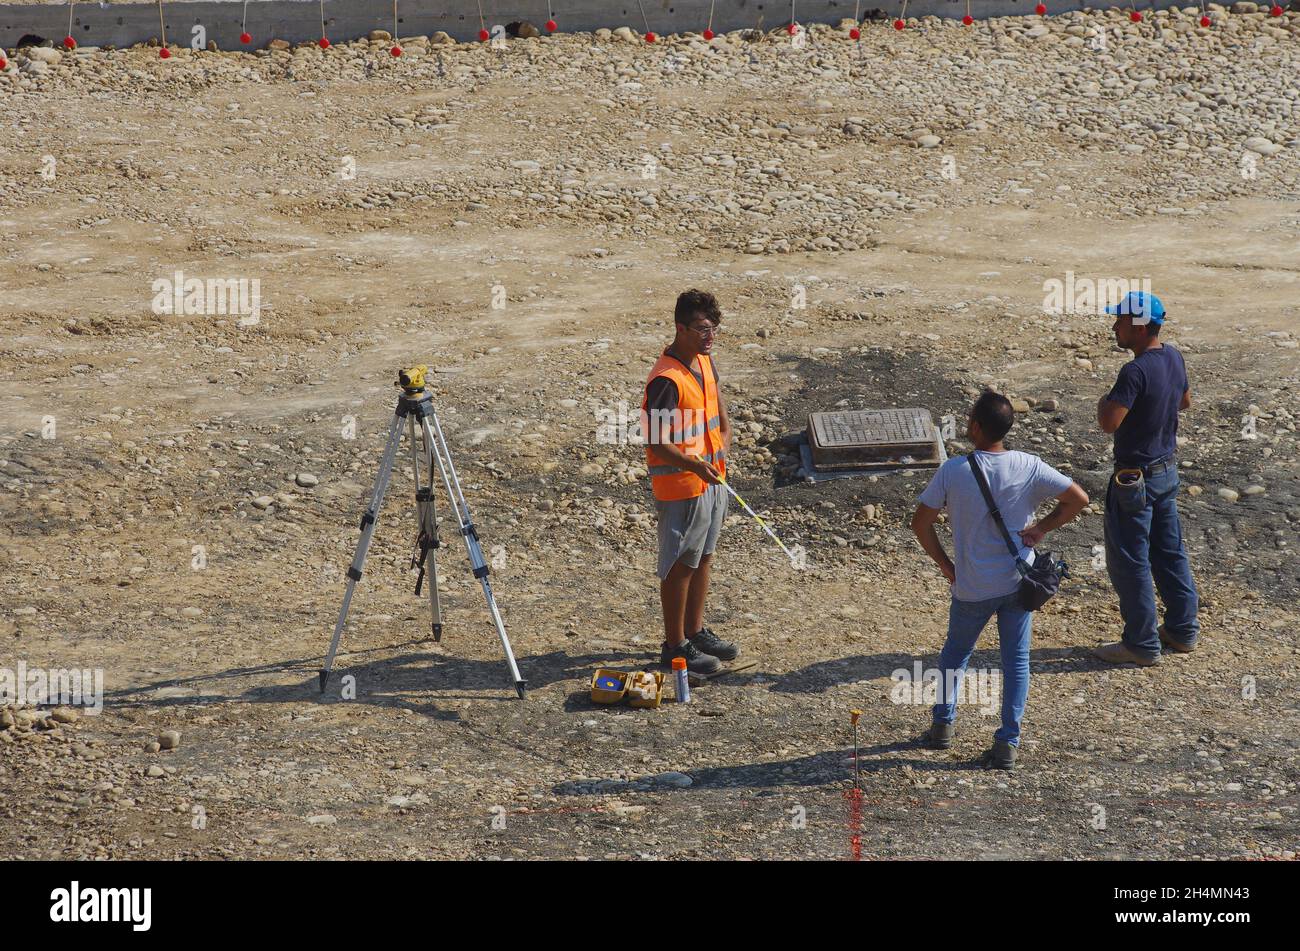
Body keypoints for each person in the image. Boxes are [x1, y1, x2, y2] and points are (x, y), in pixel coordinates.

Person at [911, 391, 1089, 769]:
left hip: (972, 585)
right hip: (1018, 582)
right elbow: (1079, 499)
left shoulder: (953, 471)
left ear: (975, 427)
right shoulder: (1028, 465)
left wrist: (945, 564)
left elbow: (920, 523)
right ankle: (1007, 743)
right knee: (1016, 662)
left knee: (955, 655)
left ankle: (943, 726)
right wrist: (1041, 528)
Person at [1093, 290, 1200, 666]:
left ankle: (1140, 643)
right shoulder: (1173, 356)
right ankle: (1183, 631)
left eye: (1120, 320)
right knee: (1169, 553)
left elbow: (1109, 423)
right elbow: (1184, 401)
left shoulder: (1134, 371)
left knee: (1130, 560)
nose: (1114, 326)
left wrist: (1106, 401)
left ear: (1139, 326)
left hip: (1134, 482)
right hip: (1166, 473)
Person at [641, 289, 738, 676]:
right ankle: (675, 645)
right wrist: (695, 466)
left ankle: (695, 632)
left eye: (712, 328)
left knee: (703, 557)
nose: (709, 335)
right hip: (682, 486)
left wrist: (725, 444)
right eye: (701, 329)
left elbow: (719, 412)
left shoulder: (704, 362)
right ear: (680, 328)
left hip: (711, 483)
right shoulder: (665, 380)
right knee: (680, 564)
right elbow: (656, 442)